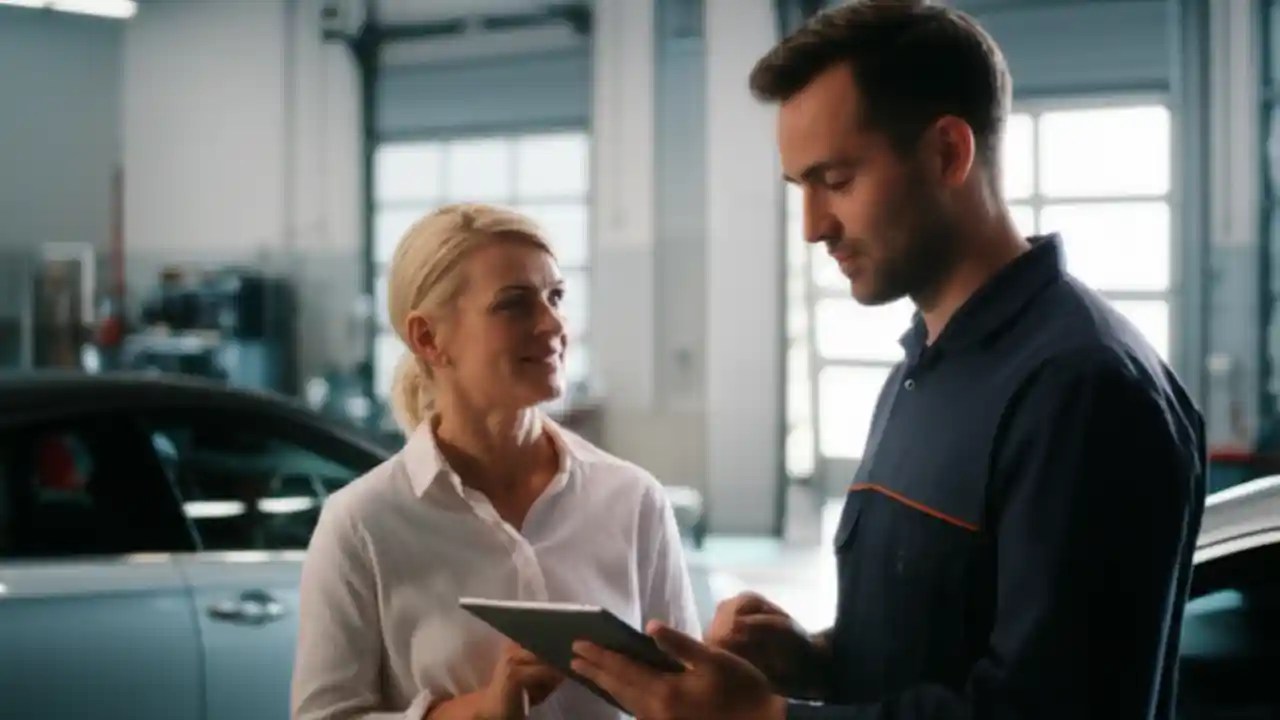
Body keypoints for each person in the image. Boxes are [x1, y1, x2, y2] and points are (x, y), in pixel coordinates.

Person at [570, 2, 1206, 719]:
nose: (813, 227)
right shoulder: (921, 370)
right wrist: (818, 661)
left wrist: (763, 718)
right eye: (801, 189)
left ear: (947, 154)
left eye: (837, 180)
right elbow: (940, 647)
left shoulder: (1081, 389)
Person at [291, 203, 702, 720]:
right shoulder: (362, 523)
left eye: (556, 297)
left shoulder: (632, 499)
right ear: (428, 338)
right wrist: (478, 712)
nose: (553, 323)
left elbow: (690, 704)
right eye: (515, 305)